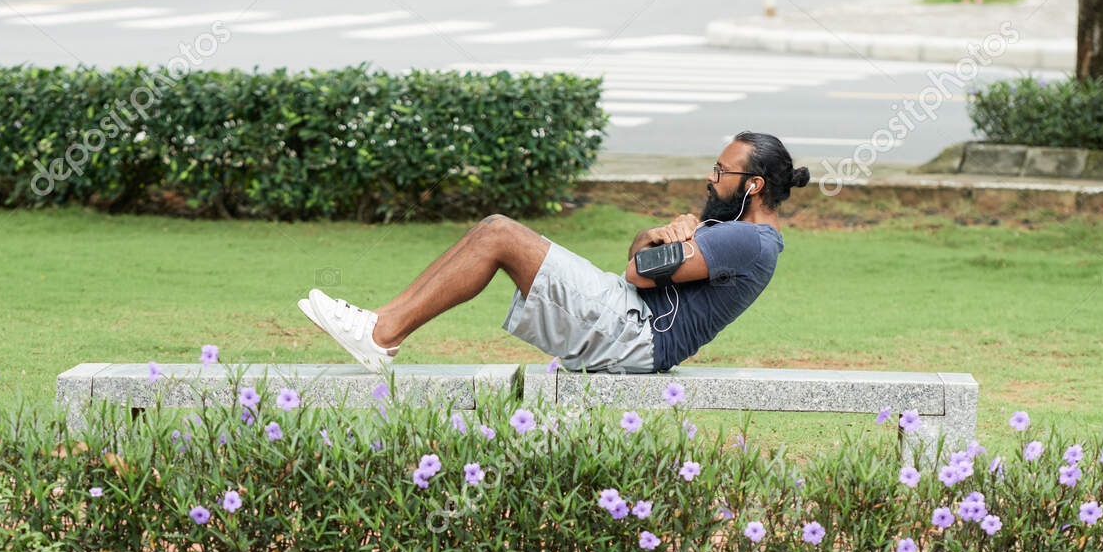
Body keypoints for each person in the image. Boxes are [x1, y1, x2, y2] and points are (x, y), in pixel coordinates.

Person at [297, 131, 809, 375]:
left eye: (723, 172)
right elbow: (636, 255)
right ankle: (381, 326)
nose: (711, 178)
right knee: (494, 232)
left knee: (498, 233)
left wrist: (678, 238)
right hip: (630, 320)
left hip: (636, 333)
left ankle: (381, 334)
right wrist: (663, 230)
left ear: (754, 185)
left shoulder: (746, 239)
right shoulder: (731, 229)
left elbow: (639, 274)